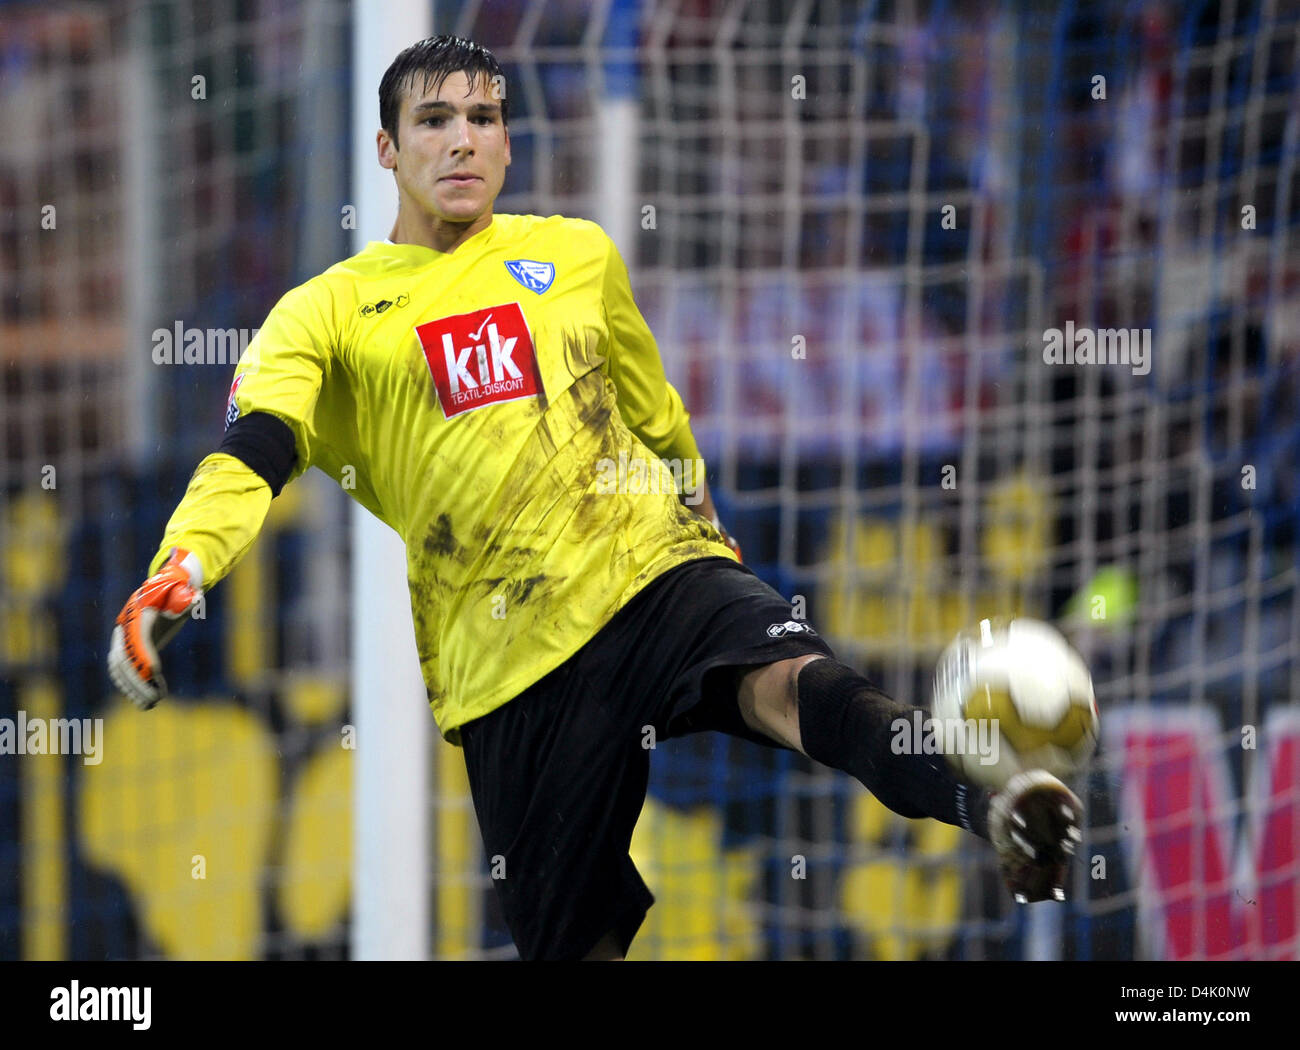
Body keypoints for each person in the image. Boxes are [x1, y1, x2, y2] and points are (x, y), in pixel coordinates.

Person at [107, 35, 1081, 961]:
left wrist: (703, 524)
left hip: (649, 567)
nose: (461, 139)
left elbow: (655, 415)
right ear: (386, 148)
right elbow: (252, 454)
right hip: (509, 659)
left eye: (483, 119)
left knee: (790, 682)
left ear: (507, 142)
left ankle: (989, 802)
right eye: (434, 119)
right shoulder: (321, 315)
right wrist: (180, 569)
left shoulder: (576, 256)